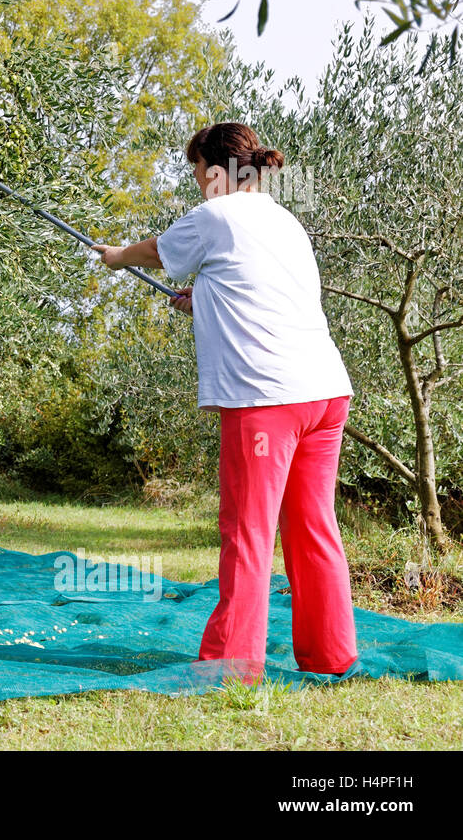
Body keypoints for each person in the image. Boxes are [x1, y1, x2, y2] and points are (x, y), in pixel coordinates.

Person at [92, 121, 358, 680]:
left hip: (267, 399)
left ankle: (232, 666)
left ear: (216, 172)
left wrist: (116, 256)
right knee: (314, 527)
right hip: (326, 394)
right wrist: (206, 299)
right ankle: (331, 656)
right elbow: (259, 290)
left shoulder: (215, 215)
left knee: (249, 531)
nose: (196, 184)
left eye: (196, 172)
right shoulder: (285, 221)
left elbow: (158, 252)